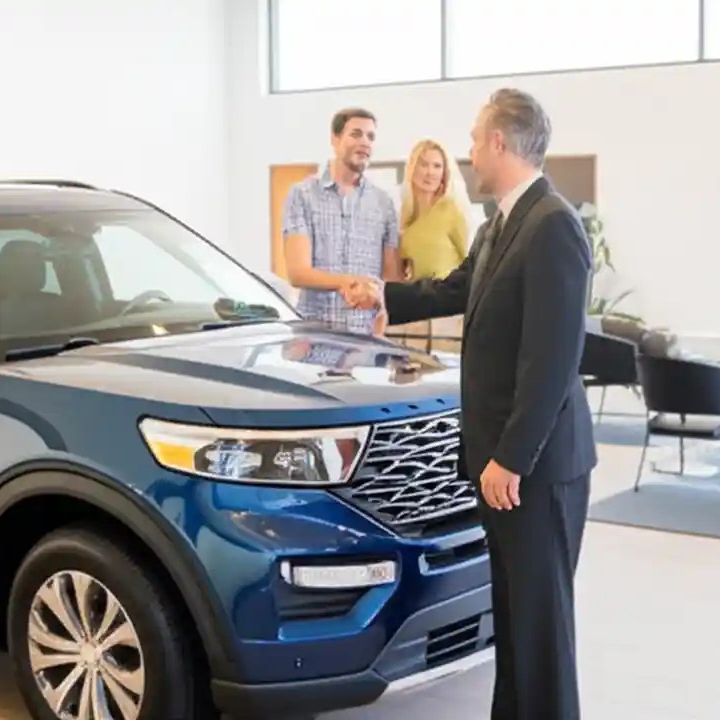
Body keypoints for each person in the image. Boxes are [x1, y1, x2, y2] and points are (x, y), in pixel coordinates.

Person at [363, 88, 597, 720]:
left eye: (472, 139)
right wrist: (386, 296)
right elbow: (463, 286)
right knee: (516, 618)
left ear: (499, 141)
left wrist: (512, 458)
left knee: (542, 628)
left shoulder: (553, 225)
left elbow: (551, 360)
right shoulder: (503, 221)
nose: (466, 151)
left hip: (537, 468)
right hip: (504, 461)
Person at [281, 107, 401, 336]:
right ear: (335, 139)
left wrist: (379, 307)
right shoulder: (302, 195)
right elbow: (298, 272)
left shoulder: (384, 203)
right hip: (313, 337)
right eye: (356, 134)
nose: (365, 142)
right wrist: (348, 281)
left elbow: (390, 278)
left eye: (370, 137)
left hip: (366, 340)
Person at [398, 138, 470, 280]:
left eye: (437, 166)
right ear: (413, 168)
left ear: (444, 173)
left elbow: (469, 262)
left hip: (447, 296)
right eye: (424, 165)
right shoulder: (405, 215)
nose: (430, 172)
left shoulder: (452, 211)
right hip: (416, 297)